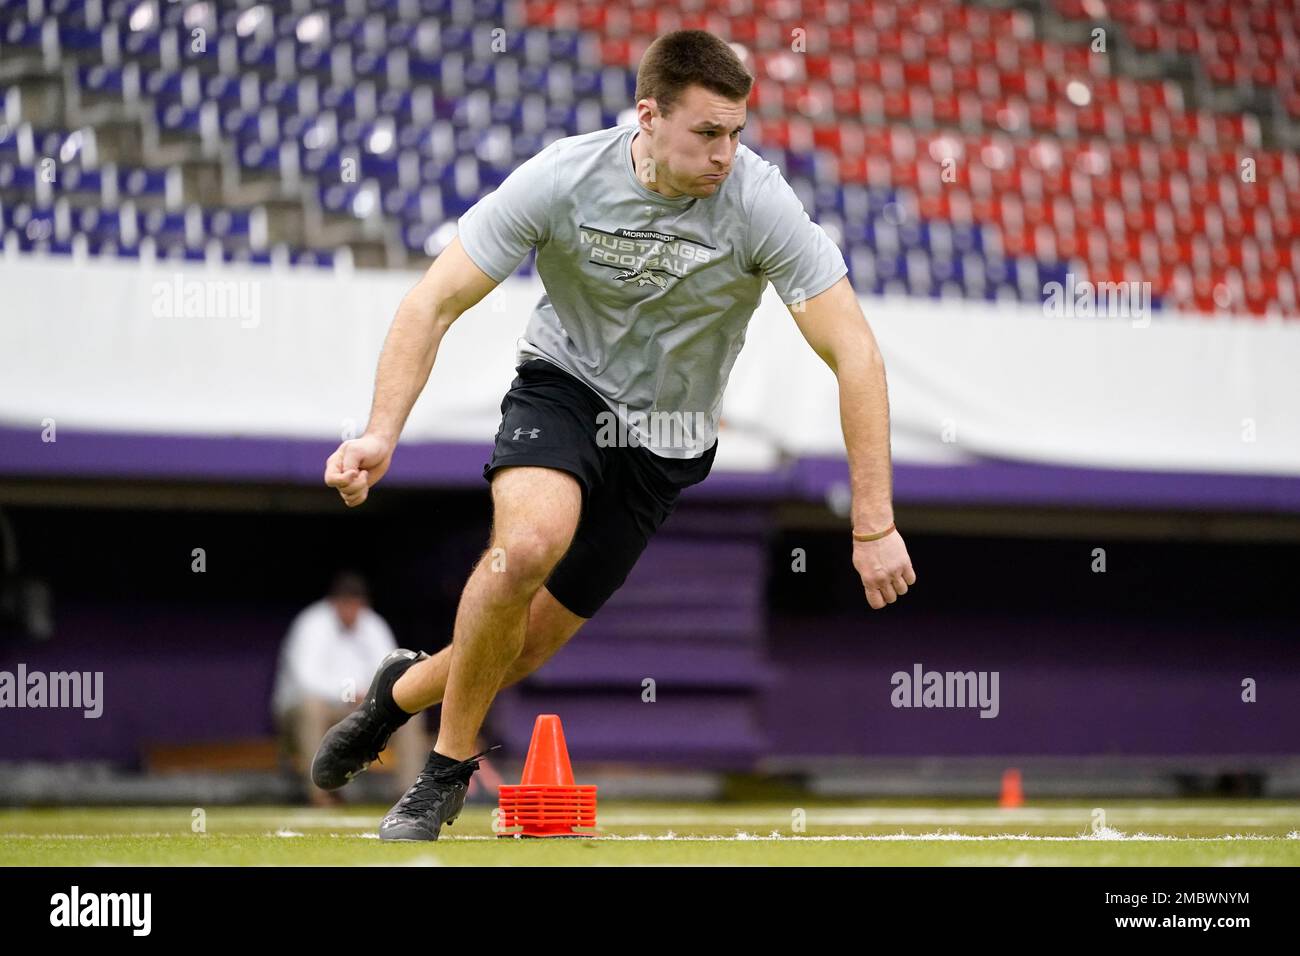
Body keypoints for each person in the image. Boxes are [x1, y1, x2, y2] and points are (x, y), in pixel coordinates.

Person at [315, 30, 917, 840]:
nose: (726, 154)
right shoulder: (563, 178)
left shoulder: (759, 202)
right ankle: (445, 773)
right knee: (525, 548)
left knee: (520, 647)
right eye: (707, 133)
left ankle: (399, 692)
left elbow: (855, 352)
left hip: (665, 439)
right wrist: (382, 432)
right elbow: (433, 301)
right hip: (564, 389)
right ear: (648, 116)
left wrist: (873, 519)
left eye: (737, 133)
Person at [272, 572, 425, 805]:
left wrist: (369, 696)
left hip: (362, 709)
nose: (352, 612)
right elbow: (306, 680)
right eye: (346, 605)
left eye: (357, 605)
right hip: (312, 711)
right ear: (334, 602)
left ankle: (408, 797)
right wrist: (351, 692)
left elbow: (393, 670)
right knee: (311, 708)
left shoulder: (372, 624)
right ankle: (321, 794)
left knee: (410, 712)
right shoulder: (311, 623)